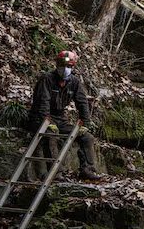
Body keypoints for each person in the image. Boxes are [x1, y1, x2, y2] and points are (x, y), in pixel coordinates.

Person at [27, 49, 100, 180]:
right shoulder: (47, 79)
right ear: (57, 66)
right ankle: (56, 172)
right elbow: (43, 102)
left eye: (69, 66)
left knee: (86, 137)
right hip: (40, 118)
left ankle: (87, 169)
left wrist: (85, 123)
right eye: (62, 66)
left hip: (60, 119)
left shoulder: (74, 82)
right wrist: (46, 121)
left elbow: (82, 103)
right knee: (50, 135)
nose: (65, 69)